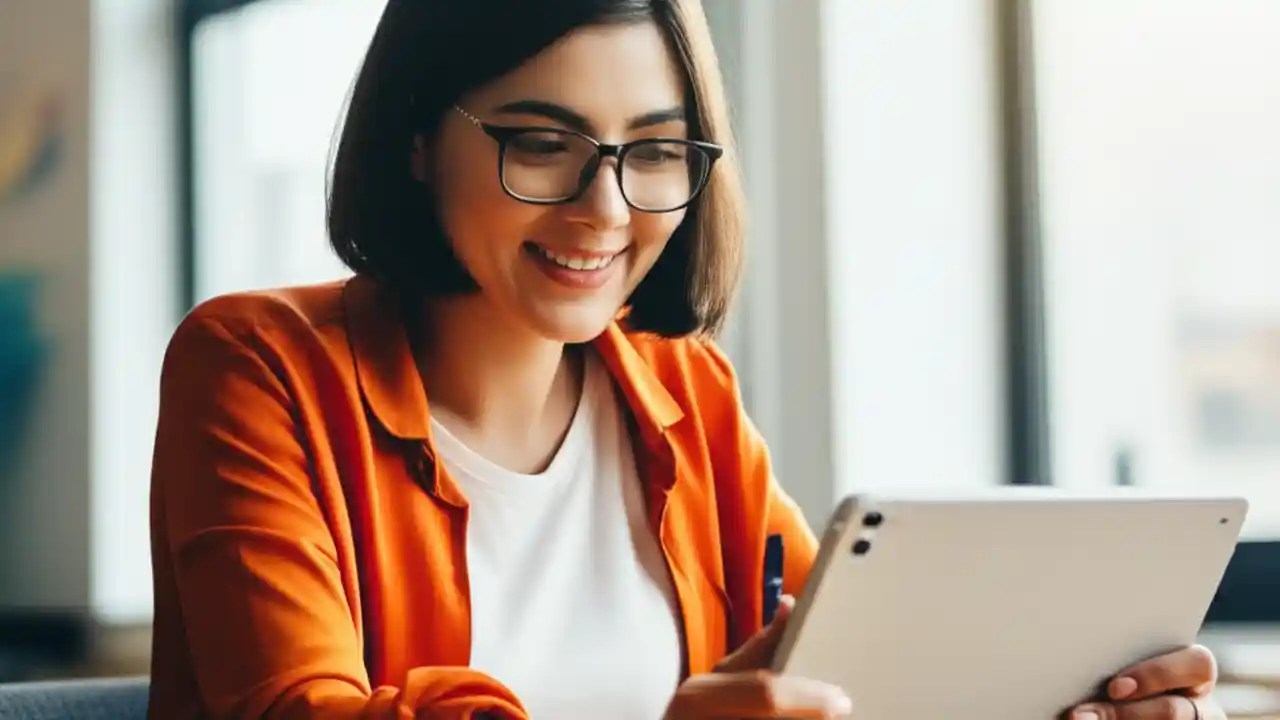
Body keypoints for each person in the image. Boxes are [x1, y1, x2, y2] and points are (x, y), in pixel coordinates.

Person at [147, 0, 1224, 717]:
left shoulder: (684, 395)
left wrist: (1067, 694)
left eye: (654, 152)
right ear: (418, 141)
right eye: (540, 143)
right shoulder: (256, 367)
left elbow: (856, 670)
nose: (603, 208)